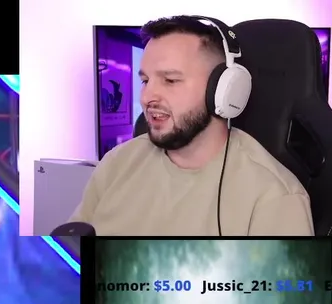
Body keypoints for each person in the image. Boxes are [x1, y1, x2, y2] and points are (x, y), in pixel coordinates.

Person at [69, 16, 313, 236]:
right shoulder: (117, 164)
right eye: (145, 80)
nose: (146, 97)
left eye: (170, 80)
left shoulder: (275, 198)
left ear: (223, 90)